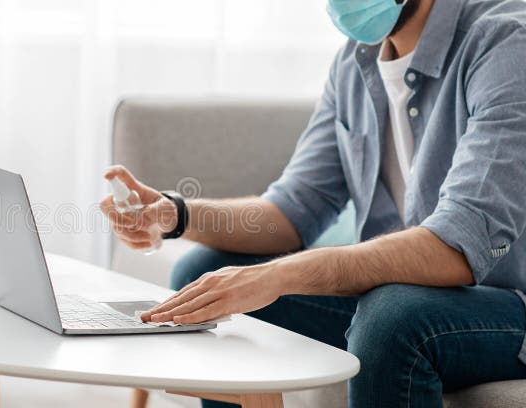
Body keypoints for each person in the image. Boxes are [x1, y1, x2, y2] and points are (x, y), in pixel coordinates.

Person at [100, 0, 526, 406]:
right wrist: (178, 215)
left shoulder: (506, 45)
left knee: (392, 318)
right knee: (202, 271)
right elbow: (294, 208)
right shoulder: (354, 63)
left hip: (509, 301)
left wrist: (280, 275)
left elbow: (456, 246)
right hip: (418, 297)